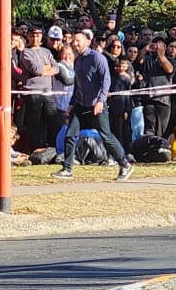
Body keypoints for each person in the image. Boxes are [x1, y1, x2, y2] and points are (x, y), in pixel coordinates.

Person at [53, 30, 132, 181]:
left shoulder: (97, 58)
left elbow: (106, 80)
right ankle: (67, 169)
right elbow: (78, 84)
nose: (75, 44)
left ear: (87, 42)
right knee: (70, 134)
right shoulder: (77, 60)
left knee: (106, 136)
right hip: (80, 104)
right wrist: (71, 103)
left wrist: (101, 100)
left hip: (96, 104)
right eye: (73, 41)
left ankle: (124, 163)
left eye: (78, 41)